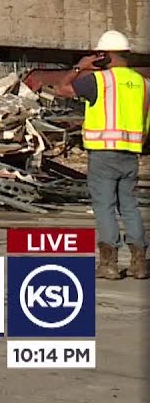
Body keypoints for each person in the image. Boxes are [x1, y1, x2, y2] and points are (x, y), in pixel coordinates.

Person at [56, 30, 149, 280]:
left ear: (104, 55)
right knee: (129, 205)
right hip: (130, 154)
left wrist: (80, 67)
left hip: (103, 154)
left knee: (105, 206)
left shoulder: (99, 80)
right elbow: (146, 124)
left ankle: (109, 264)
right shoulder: (144, 84)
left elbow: (61, 89)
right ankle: (140, 263)